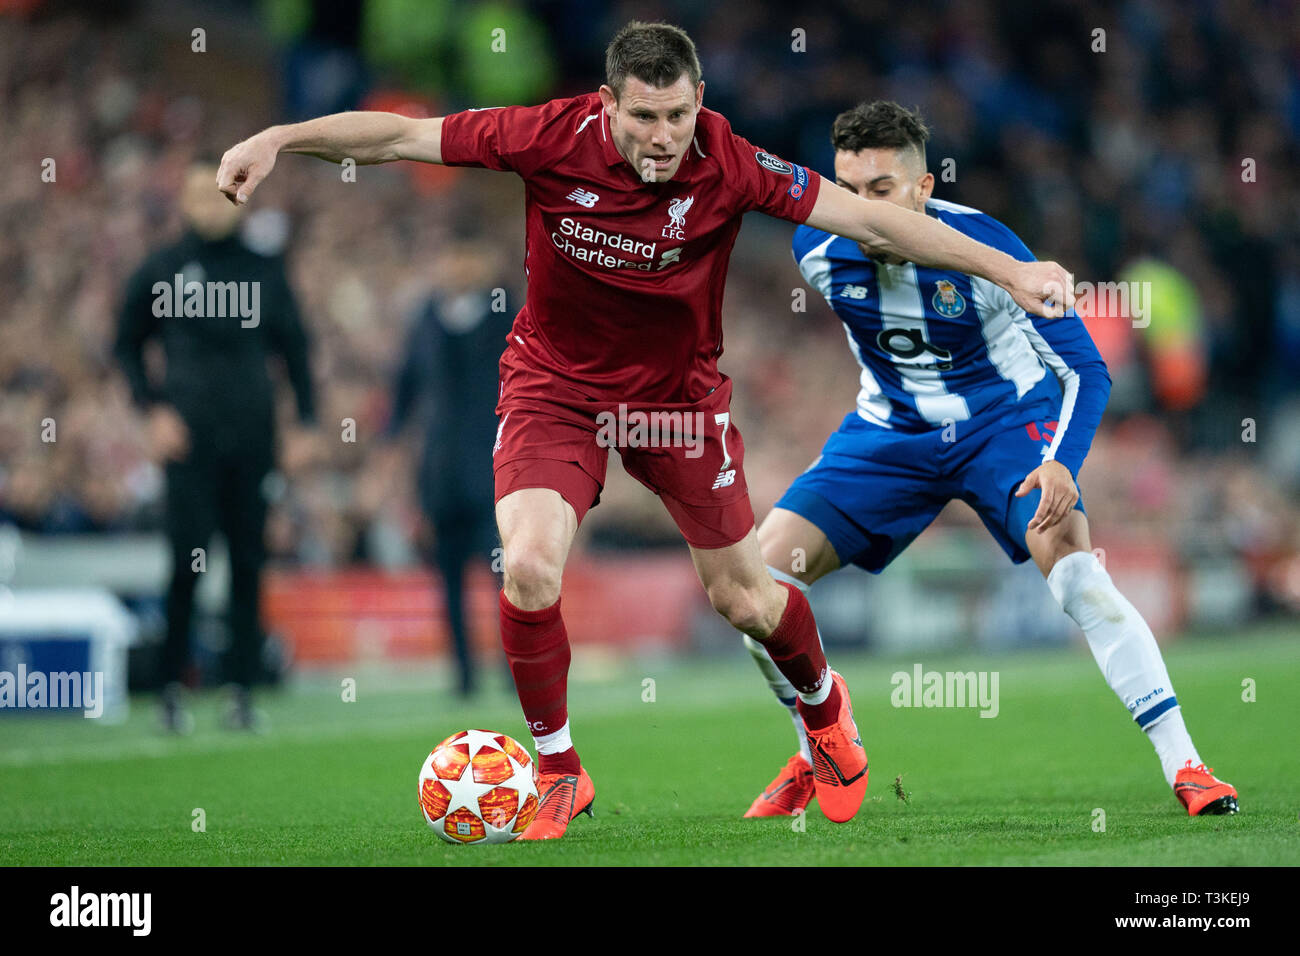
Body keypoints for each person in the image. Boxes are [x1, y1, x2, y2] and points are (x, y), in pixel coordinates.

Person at [216, 21, 1075, 838]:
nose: (665, 136)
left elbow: (874, 221)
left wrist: (1010, 268)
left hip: (678, 401)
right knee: (527, 565)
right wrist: (279, 139)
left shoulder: (730, 161)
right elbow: (399, 138)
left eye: (679, 114)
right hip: (555, 387)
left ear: (699, 98)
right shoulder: (546, 136)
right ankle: (559, 767)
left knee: (743, 597)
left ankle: (824, 713)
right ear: (606, 104)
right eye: (645, 117)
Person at [739, 101, 1238, 819]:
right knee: (759, 587)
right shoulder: (815, 250)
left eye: (880, 191)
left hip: (1002, 425)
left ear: (922, 189)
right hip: (891, 433)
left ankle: (1186, 763)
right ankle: (817, 742)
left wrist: (1063, 461)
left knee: (1077, 579)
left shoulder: (986, 249)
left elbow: (1086, 371)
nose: (860, 209)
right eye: (848, 190)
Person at [115, 158, 319, 733]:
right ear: (181, 200)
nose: (209, 205)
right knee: (185, 562)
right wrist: (151, 410)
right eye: (197, 195)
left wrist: (305, 423)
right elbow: (125, 345)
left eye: (221, 194)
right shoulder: (162, 269)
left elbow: (297, 351)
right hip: (187, 445)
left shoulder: (266, 269)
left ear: (241, 196)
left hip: (254, 440)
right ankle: (171, 690)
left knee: (249, 563)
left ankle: (241, 690)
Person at [381, 241, 515, 697]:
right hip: (440, 475)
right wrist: (390, 449)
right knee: (450, 581)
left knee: (507, 575)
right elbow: (404, 389)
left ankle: (518, 669)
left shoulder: (508, 313)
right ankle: (463, 676)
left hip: (499, 469)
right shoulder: (426, 318)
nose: (456, 265)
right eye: (449, 256)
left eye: (464, 255)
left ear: (483, 261)